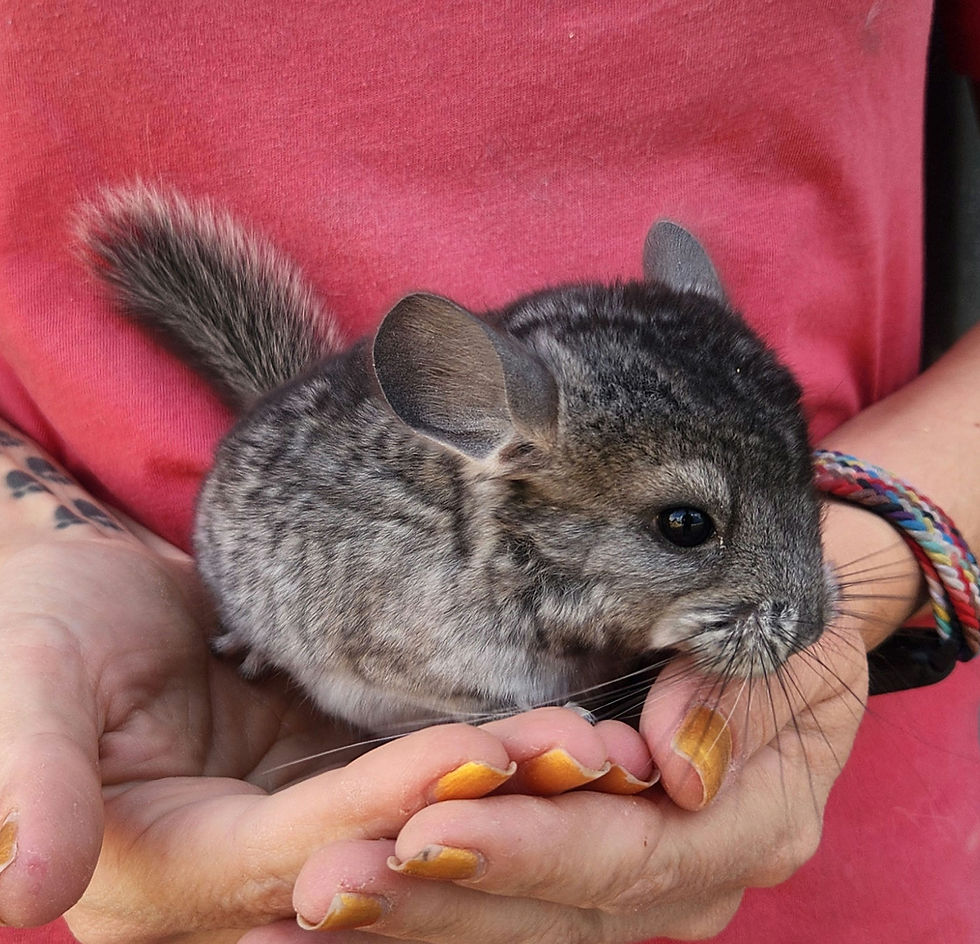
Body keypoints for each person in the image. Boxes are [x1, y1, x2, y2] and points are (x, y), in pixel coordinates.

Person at [0, 2, 978, 942]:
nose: (799, 607)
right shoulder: (431, 582)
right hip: (154, 736)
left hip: (862, 811)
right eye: (682, 526)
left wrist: (877, 535)